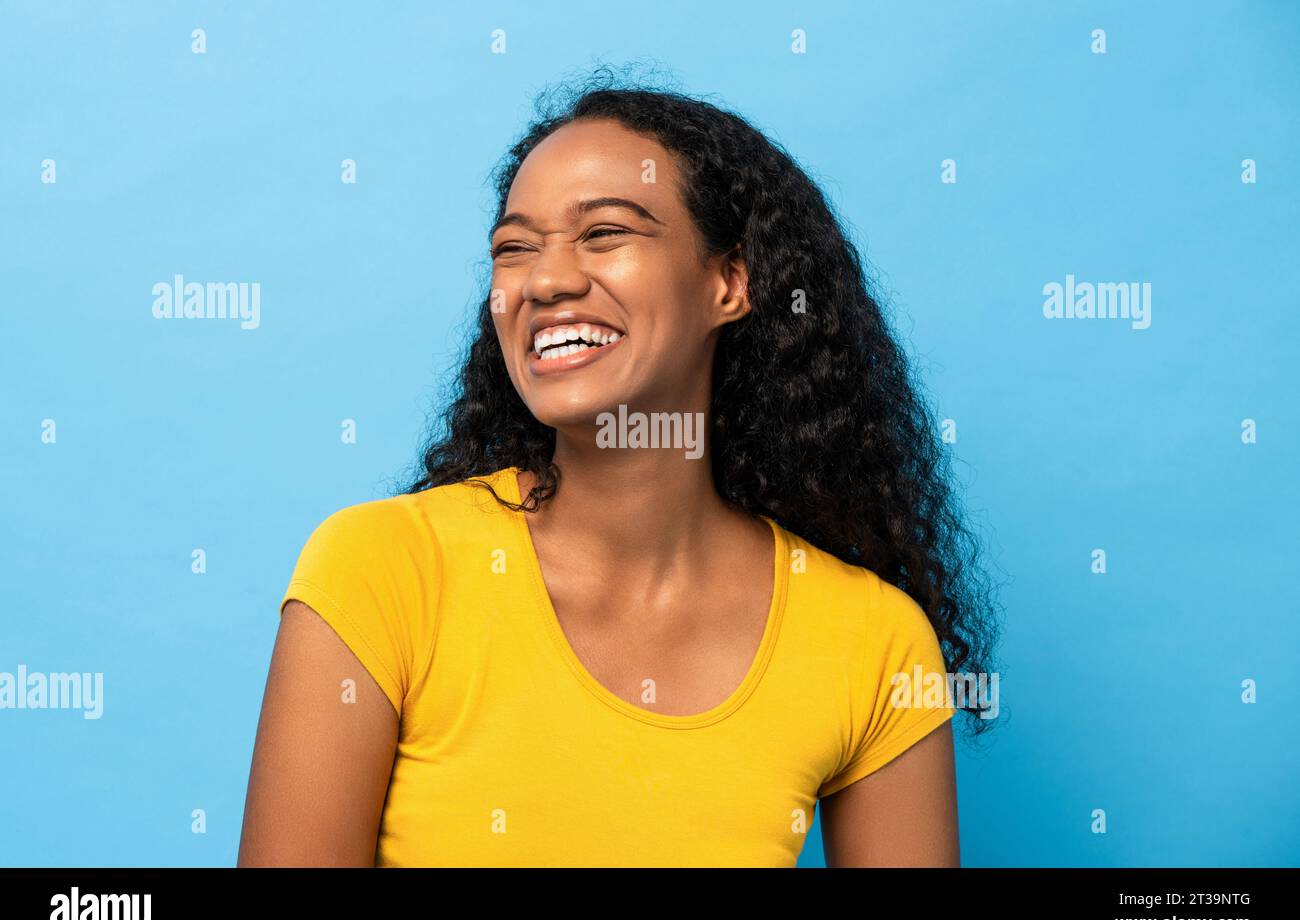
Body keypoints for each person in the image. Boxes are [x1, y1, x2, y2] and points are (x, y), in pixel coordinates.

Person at [238, 69, 999, 867]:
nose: (547, 279)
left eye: (604, 234)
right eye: (514, 249)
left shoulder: (872, 642)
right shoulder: (383, 571)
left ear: (730, 281)